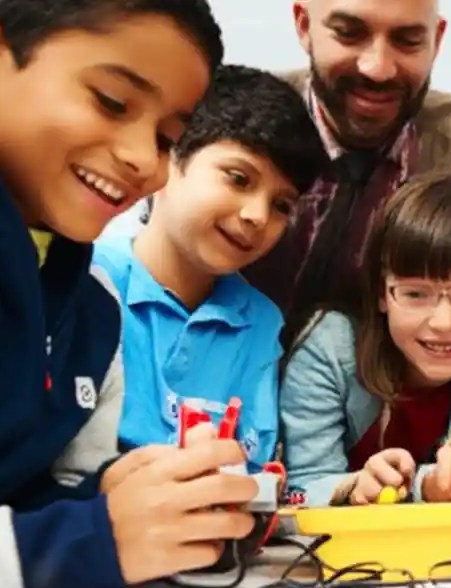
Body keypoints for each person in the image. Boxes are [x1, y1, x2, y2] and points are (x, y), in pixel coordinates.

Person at [0, 0, 260, 588]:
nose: (146, 161)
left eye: (169, 138)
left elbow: (42, 497)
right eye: (112, 101)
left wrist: (119, 494)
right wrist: (76, 541)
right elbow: (52, 538)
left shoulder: (95, 309)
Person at [94, 64, 324, 469]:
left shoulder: (260, 324)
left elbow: (253, 471)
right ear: (169, 159)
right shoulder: (88, 283)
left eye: (281, 205)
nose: (257, 215)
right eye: (238, 179)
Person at [243, 0, 451, 343]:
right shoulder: (244, 123)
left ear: (437, 40)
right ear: (304, 25)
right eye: (349, 34)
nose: (377, 69)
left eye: (408, 41)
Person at [279, 173, 451, 506]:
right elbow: (300, 490)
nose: (443, 322)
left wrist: (447, 484)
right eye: (416, 293)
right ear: (381, 290)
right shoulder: (329, 349)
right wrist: (354, 487)